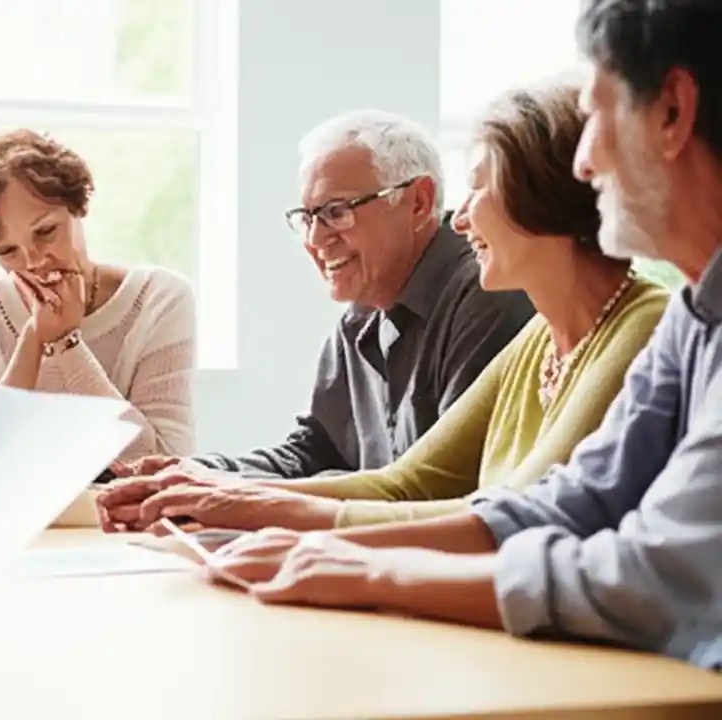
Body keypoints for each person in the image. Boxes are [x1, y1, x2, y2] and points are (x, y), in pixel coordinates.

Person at [200, 0, 722, 669]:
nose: (584, 166)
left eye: (595, 115)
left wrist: (374, 572)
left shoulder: (638, 317)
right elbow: (568, 503)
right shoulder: (692, 312)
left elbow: (652, 573)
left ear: (673, 112)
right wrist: (325, 543)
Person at [103, 85, 669, 532]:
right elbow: (398, 480)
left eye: (337, 212)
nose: (462, 216)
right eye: (309, 217)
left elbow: (500, 515)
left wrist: (253, 511)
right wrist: (213, 486)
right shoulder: (538, 336)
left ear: (542, 197)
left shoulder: (602, 321)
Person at [96, 110, 536, 523]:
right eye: (307, 217)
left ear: (418, 202)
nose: (315, 238)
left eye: (336, 212)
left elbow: (438, 488)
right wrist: (194, 472)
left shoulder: (488, 295)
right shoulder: (359, 317)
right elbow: (314, 453)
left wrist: (231, 496)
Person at [0, 129, 196, 461]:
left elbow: (165, 461)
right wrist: (35, 338)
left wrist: (67, 344)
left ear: (78, 207)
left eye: (46, 231)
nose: (33, 261)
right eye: (7, 252)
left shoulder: (160, 299)